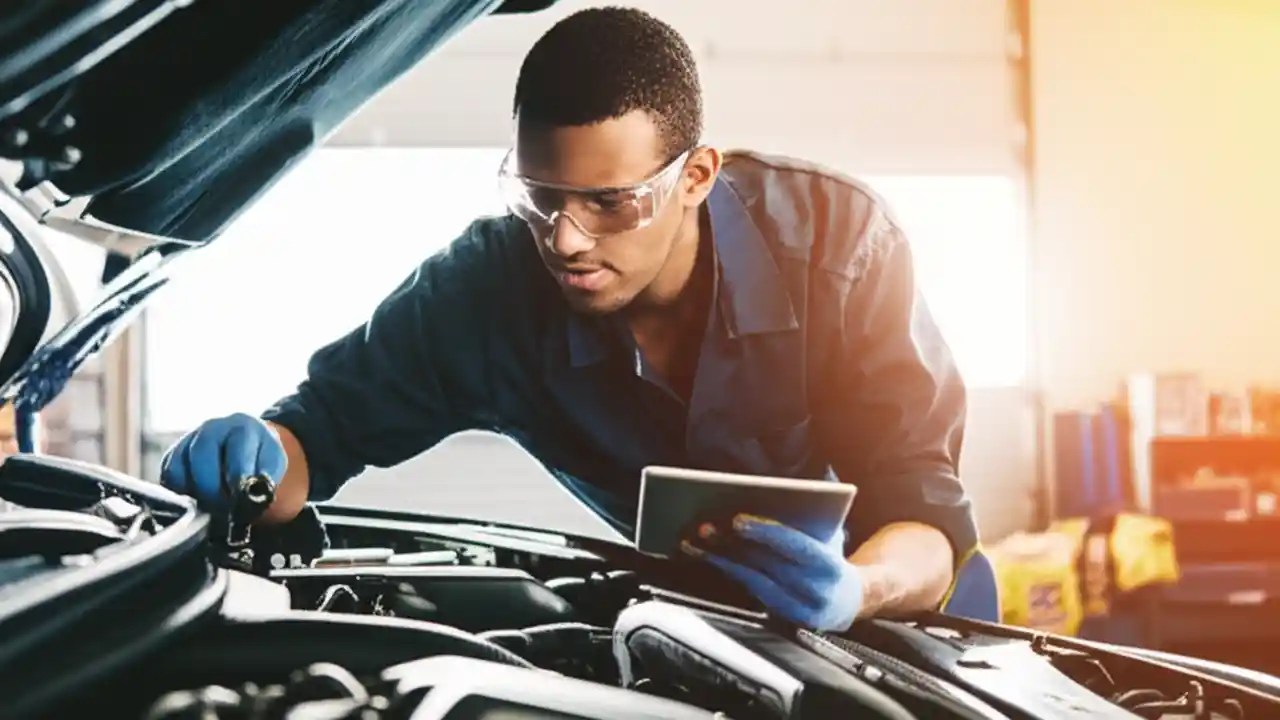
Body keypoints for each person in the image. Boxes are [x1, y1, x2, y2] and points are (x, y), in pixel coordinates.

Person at [160, 6, 978, 632]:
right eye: (538, 196)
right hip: (696, 624)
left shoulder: (839, 250)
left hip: (905, 616)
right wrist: (253, 460)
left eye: (610, 202)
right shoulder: (485, 291)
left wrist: (858, 590)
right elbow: (319, 438)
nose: (566, 240)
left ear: (695, 176)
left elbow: (926, 515)